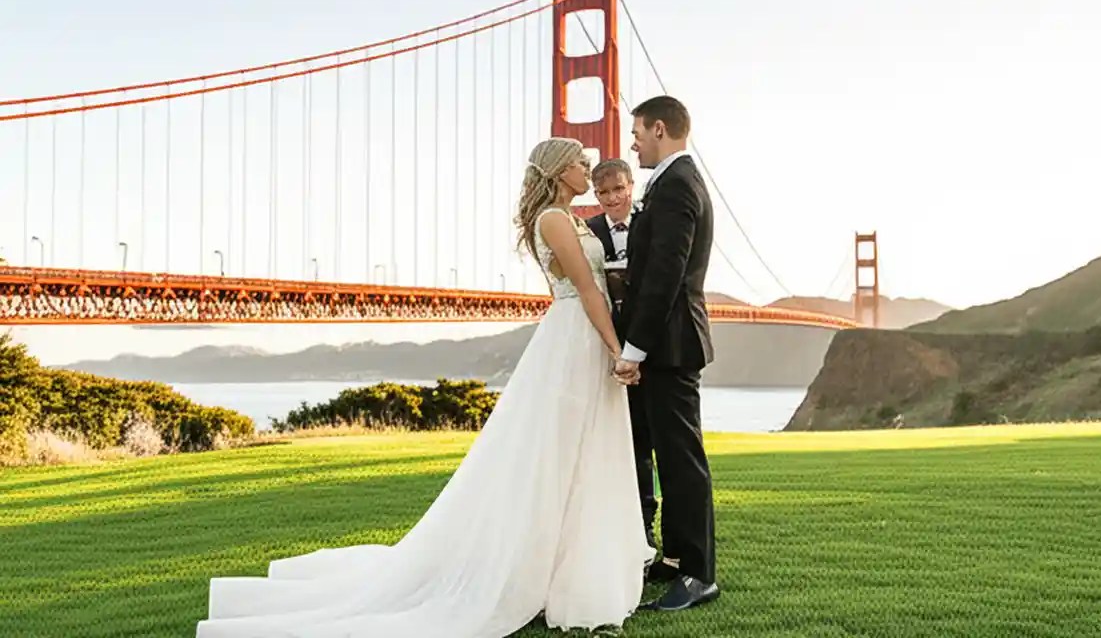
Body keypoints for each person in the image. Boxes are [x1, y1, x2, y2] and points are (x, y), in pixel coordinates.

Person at [195, 137, 654, 638]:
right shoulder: (553, 219)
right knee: (561, 454)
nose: (588, 167)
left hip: (581, 337)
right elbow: (585, 289)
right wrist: (618, 351)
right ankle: (547, 572)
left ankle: (567, 569)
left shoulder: (570, 217)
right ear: (558, 170)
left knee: (585, 453)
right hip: (576, 341)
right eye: (580, 162)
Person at [613, 95, 719, 612]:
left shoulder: (677, 186)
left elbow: (665, 276)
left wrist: (634, 348)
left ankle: (699, 574)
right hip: (669, 345)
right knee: (668, 458)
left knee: (681, 461)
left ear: (660, 129)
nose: (631, 142)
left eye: (636, 132)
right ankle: (675, 558)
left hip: (670, 347)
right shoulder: (672, 183)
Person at [584, 159, 657, 549]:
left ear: (631, 186)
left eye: (618, 189)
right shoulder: (588, 231)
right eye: (603, 192)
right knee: (610, 442)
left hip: (647, 350)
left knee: (641, 442)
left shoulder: (651, 223)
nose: (613, 198)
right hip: (604, 349)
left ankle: (646, 528)